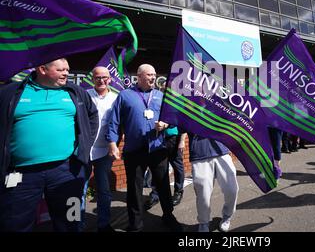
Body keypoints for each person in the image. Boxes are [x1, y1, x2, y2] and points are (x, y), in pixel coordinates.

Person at [0, 58, 98, 232]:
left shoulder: (76, 91)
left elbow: (92, 115)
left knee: (71, 219)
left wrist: (84, 145)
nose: (66, 73)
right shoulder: (10, 92)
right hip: (21, 174)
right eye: (61, 70)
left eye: (67, 69)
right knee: (15, 224)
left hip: (68, 172)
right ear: (42, 69)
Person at [107, 64, 182, 232]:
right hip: (134, 151)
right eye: (149, 75)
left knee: (163, 186)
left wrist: (165, 123)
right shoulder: (125, 96)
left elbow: (172, 117)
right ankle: (135, 224)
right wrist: (112, 143)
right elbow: (114, 121)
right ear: (139, 76)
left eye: (154, 75)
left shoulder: (160, 95)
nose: (153, 78)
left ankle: (169, 216)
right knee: (134, 189)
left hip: (157, 149)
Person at [185, 134, 239, 232]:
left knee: (232, 189)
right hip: (199, 154)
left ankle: (227, 216)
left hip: (221, 151)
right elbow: (177, 121)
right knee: (203, 195)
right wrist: (166, 124)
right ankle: (204, 223)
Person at [145, 78, 185, 210]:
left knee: (177, 165)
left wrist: (182, 140)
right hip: (158, 138)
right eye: (165, 86)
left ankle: (178, 191)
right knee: (158, 167)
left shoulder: (179, 100)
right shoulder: (158, 98)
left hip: (173, 137)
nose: (166, 88)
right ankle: (155, 194)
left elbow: (183, 122)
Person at [86, 66, 118, 232]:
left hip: (105, 151)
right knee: (79, 189)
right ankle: (76, 224)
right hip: (83, 150)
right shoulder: (85, 95)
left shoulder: (116, 98)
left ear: (110, 79)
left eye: (104, 77)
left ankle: (103, 224)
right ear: (93, 79)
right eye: (97, 77)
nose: (101, 80)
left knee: (104, 190)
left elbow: (120, 123)